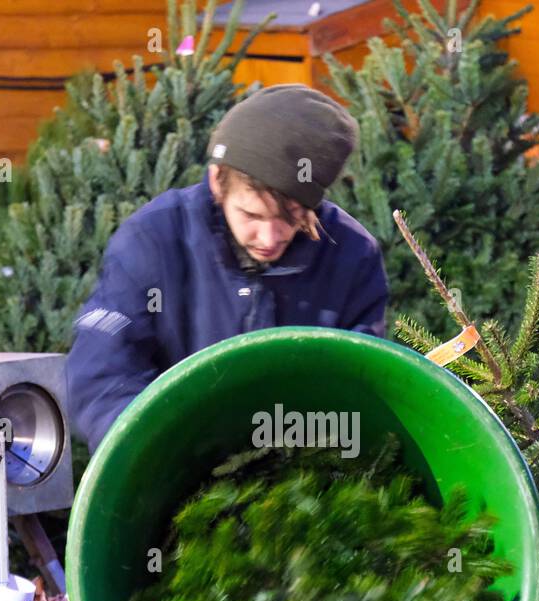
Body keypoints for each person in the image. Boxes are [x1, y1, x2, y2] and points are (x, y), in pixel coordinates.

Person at [67, 83, 389, 450]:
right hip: (171, 467)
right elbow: (100, 375)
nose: (269, 237)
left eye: (294, 217)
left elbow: (361, 390)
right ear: (217, 181)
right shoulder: (153, 239)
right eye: (251, 214)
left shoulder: (350, 255)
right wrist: (155, 450)